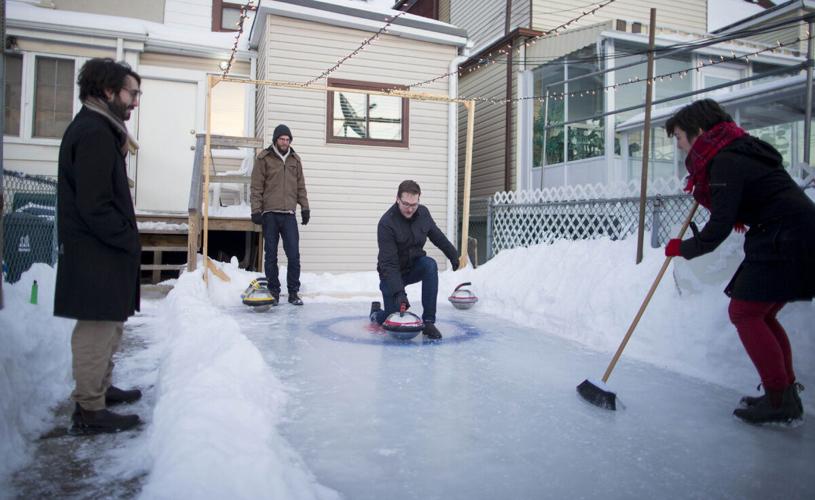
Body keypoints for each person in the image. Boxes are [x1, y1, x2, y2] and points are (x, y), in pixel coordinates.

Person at [664, 98, 815, 426]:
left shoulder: (725, 161)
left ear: (698, 131)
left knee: (745, 312)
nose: (678, 145)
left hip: (784, 235)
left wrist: (682, 248)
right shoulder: (734, 151)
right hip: (790, 232)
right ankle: (783, 395)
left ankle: (779, 399)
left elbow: (720, 225)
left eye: (678, 137)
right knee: (761, 313)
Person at [55, 58, 144, 435]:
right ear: (108, 91)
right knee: (96, 329)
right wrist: (126, 238)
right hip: (95, 252)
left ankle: (101, 390)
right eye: (131, 93)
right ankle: (89, 410)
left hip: (102, 251)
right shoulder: (93, 132)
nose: (135, 101)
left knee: (110, 324)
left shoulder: (102, 128)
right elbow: (94, 204)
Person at [371, 180, 460, 339]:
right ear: (397, 199)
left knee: (430, 265)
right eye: (406, 204)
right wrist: (399, 293)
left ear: (419, 199)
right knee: (391, 319)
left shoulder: (423, 213)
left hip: (413, 267)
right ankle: (375, 313)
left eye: (414, 204)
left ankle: (429, 322)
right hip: (391, 274)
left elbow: (437, 235)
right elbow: (388, 264)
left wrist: (452, 254)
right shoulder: (386, 223)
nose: (410, 209)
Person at [250, 124, 310, 306]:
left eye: (287, 139)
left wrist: (305, 208)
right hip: (270, 215)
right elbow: (256, 186)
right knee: (271, 256)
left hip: (289, 215)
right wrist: (256, 210)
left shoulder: (295, 160)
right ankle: (274, 292)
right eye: (282, 139)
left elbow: (300, 187)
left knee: (294, 255)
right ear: (276, 140)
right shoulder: (264, 158)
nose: (285, 142)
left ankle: (293, 293)